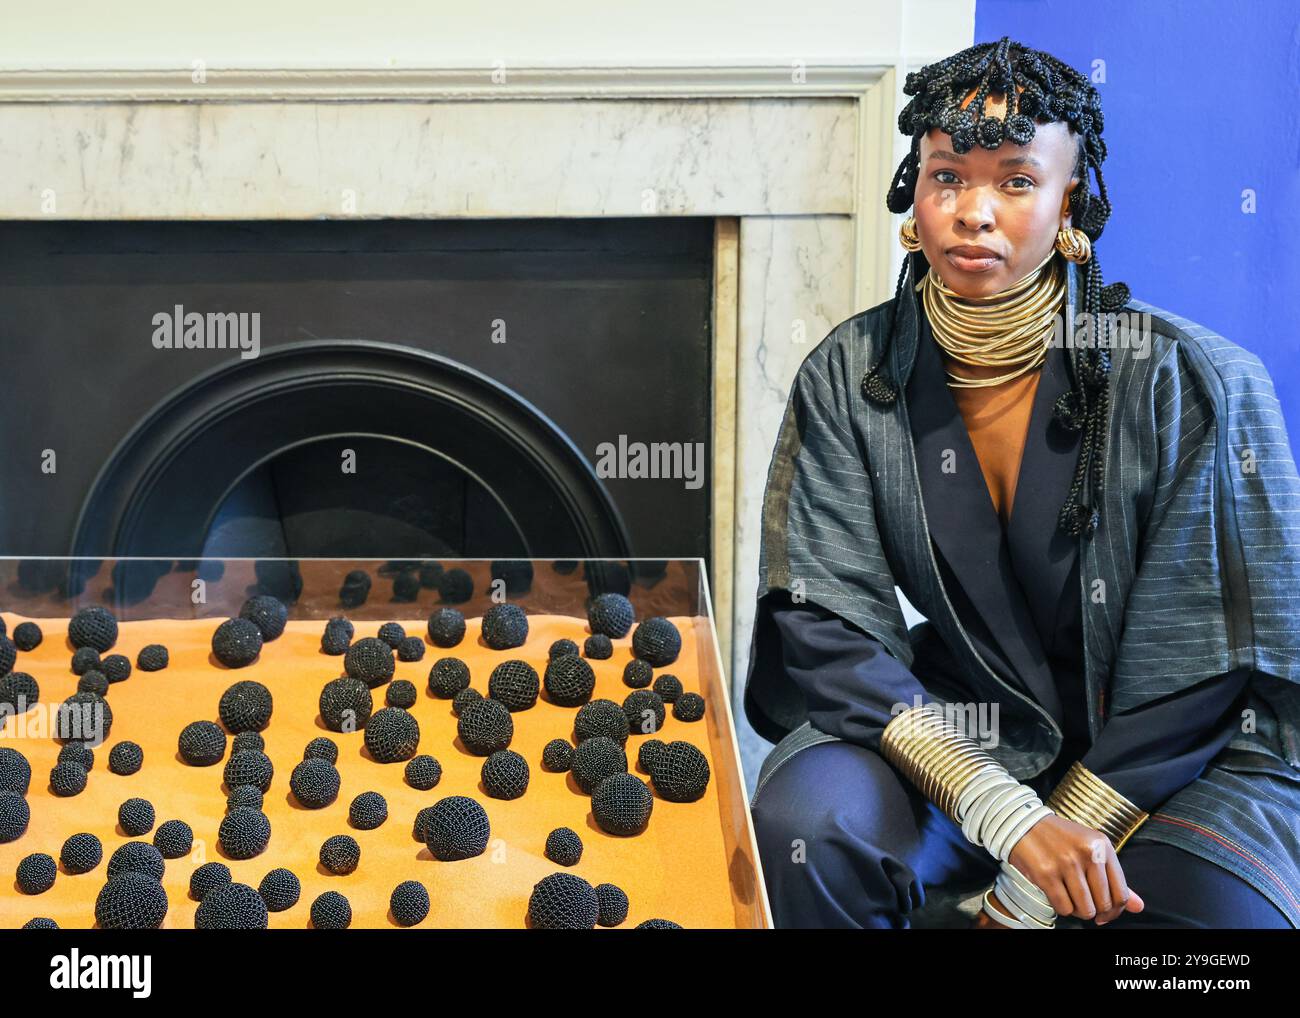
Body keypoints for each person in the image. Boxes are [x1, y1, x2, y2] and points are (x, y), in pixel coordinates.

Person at [743, 37, 1300, 929]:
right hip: (960, 729)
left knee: (1216, 934)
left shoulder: (1189, 379)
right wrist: (1001, 811)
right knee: (812, 826)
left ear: (1067, 199)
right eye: (946, 176)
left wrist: (1033, 882)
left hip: (1181, 757)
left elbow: (1212, 660)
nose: (973, 212)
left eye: (1014, 180)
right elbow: (825, 624)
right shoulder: (853, 373)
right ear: (911, 192)